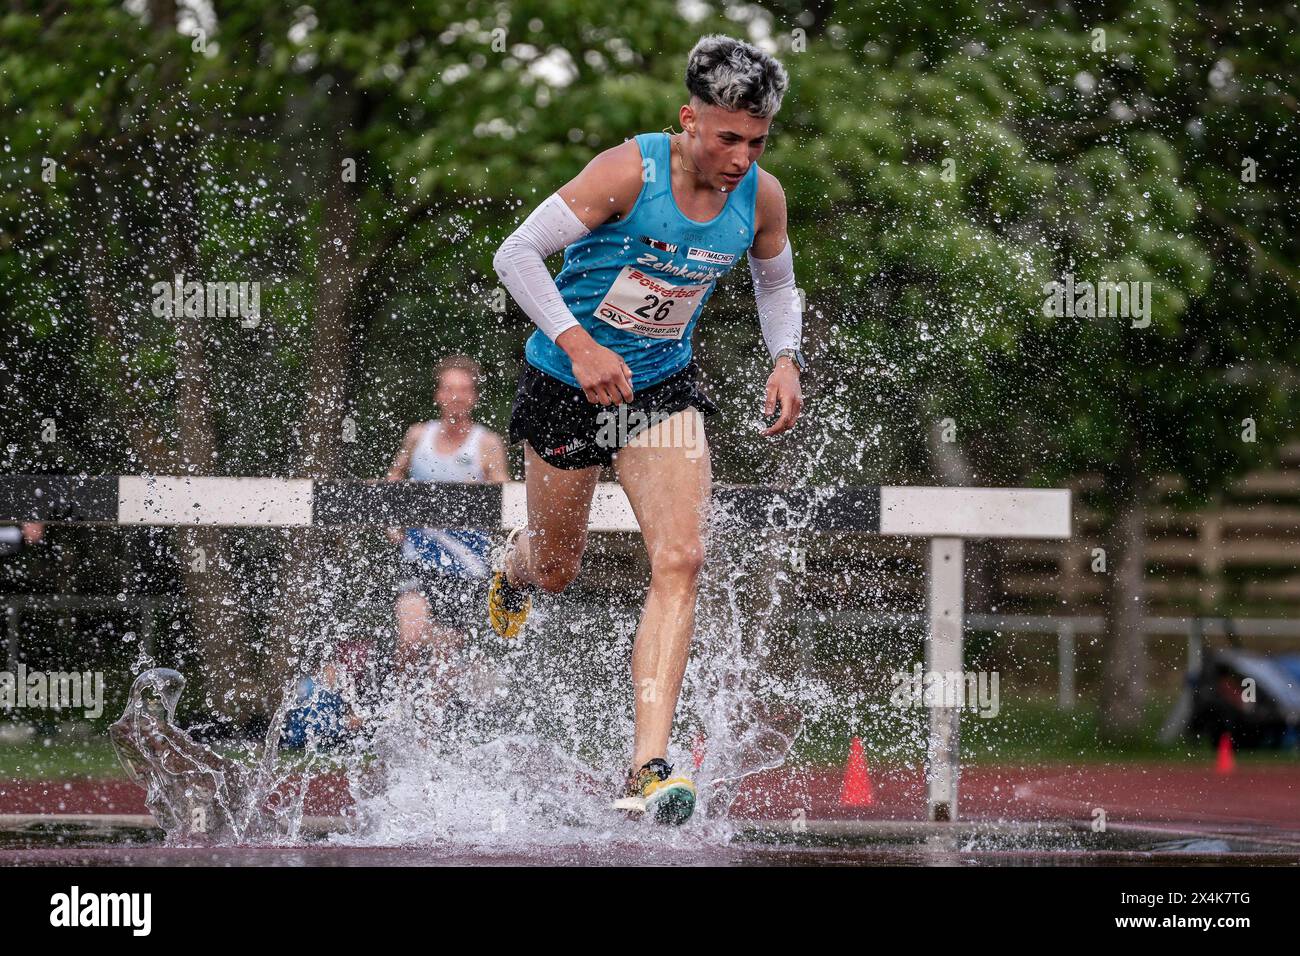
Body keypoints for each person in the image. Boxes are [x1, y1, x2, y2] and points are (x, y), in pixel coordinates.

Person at [490, 35, 806, 825]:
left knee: (682, 556)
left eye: (756, 142)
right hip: (566, 384)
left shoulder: (762, 197)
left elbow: (776, 277)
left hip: (659, 390)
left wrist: (786, 358)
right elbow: (516, 253)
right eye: (727, 137)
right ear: (688, 119)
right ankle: (515, 565)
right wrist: (579, 341)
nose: (740, 158)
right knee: (559, 567)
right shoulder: (628, 172)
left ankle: (646, 766)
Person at [385, 355, 509, 713]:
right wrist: (391, 521)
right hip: (418, 555)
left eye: (464, 390)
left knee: (443, 656)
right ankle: (400, 714)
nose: (456, 397)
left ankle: (430, 729)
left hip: (465, 566)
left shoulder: (486, 444)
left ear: (474, 398)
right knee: (409, 639)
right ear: (438, 395)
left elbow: (505, 498)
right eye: (449, 389)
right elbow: (394, 479)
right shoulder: (418, 436)